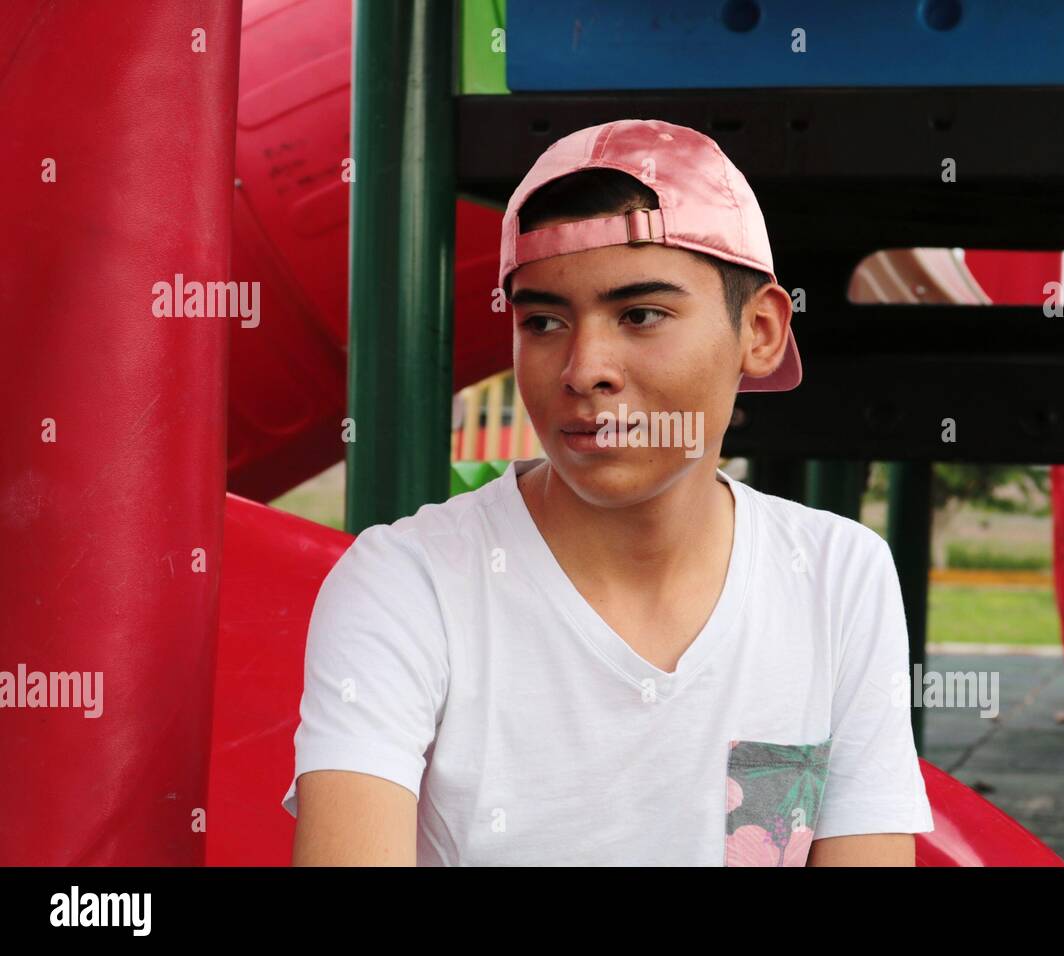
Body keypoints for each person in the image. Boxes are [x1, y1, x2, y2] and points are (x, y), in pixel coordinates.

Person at [283, 118, 933, 866]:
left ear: (759, 331)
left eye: (641, 314)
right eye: (543, 321)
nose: (584, 368)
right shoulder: (409, 583)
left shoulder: (836, 574)